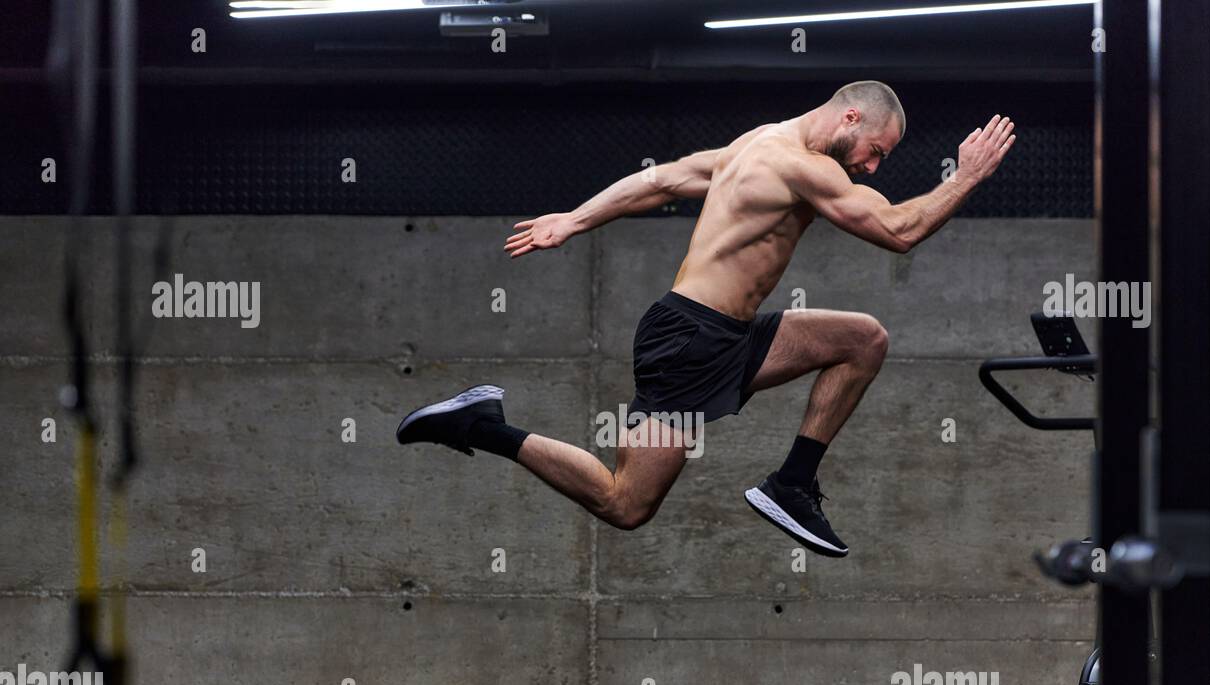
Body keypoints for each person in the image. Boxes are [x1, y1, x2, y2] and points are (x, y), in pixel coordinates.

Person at [398, 81, 1015, 556]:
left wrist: (575, 219)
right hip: (690, 341)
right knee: (625, 504)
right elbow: (898, 230)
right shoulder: (802, 165)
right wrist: (968, 177)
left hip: (729, 335)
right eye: (875, 152)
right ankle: (480, 425)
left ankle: (792, 484)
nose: (872, 167)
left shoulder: (757, 141)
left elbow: (663, 179)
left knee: (862, 339)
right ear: (850, 117)